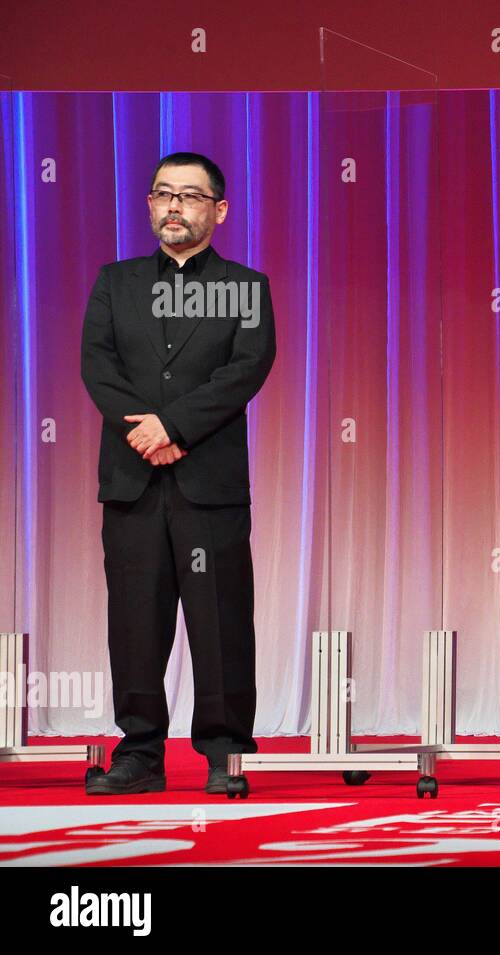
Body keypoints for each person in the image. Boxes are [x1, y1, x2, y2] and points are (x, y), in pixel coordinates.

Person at [80, 151, 276, 796]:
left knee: (220, 617)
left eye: (190, 196)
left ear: (219, 210)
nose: (174, 207)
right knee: (135, 618)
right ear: (149, 205)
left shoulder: (246, 286)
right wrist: (145, 433)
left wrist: (175, 427)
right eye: (163, 194)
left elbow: (245, 369)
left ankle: (226, 752)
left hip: (207, 478)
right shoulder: (116, 281)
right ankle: (139, 753)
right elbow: (98, 366)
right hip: (132, 475)